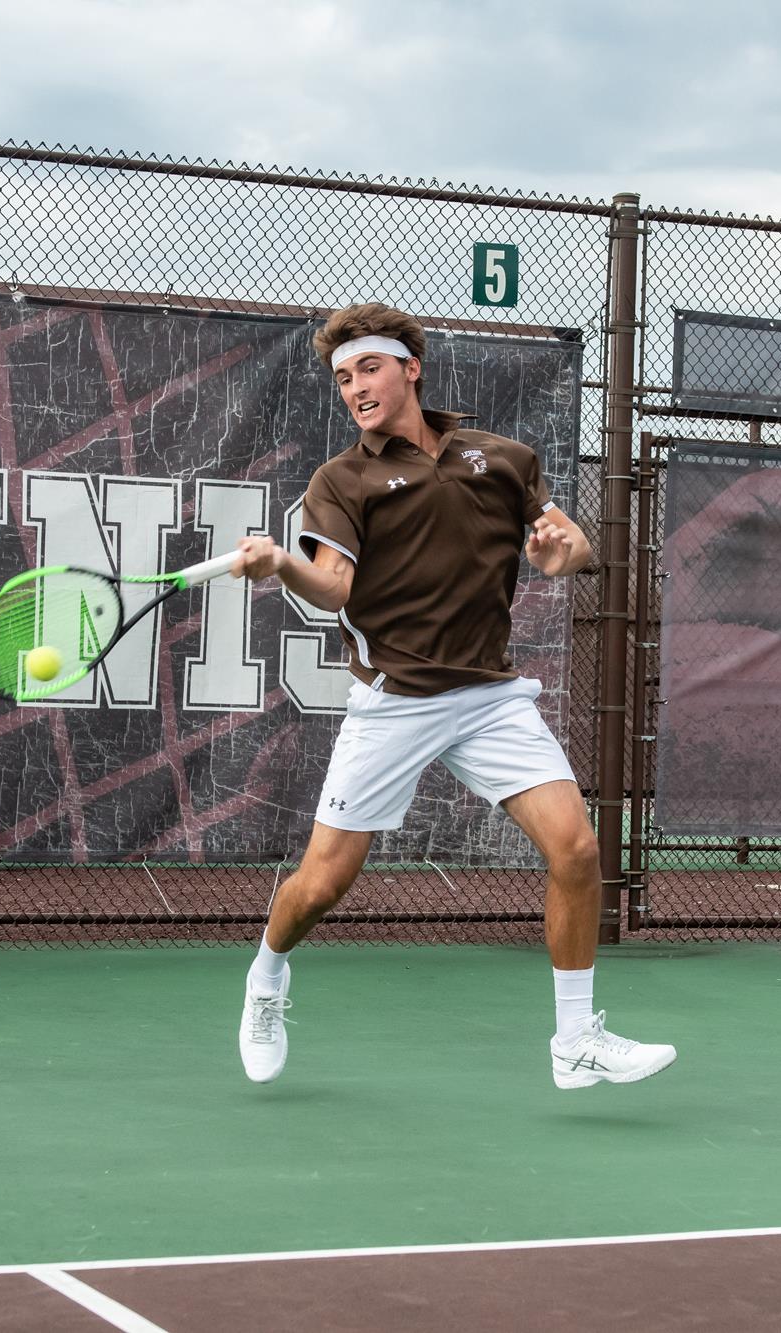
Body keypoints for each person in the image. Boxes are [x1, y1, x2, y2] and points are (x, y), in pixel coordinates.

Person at [228, 302, 676, 1090]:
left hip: (489, 694)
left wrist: (565, 550)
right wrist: (280, 566)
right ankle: (266, 976)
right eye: (341, 378)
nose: (355, 387)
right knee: (323, 884)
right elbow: (332, 586)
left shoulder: (503, 459)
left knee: (575, 848)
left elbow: (567, 551)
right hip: (395, 698)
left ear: (410, 367)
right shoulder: (342, 480)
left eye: (367, 367)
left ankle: (574, 1042)